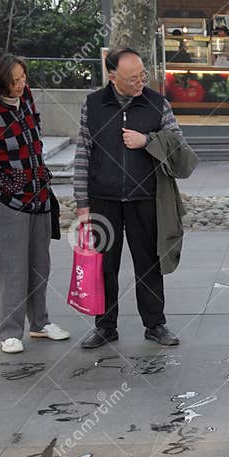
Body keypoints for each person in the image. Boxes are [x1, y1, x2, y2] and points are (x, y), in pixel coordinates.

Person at [73, 47, 187, 349]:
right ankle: (105, 326)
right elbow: (83, 152)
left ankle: (155, 324)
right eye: (133, 78)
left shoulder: (156, 103)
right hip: (103, 198)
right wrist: (82, 202)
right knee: (105, 265)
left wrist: (146, 140)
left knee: (148, 263)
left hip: (145, 196)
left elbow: (178, 145)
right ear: (113, 77)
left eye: (143, 76)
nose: (140, 82)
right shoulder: (94, 105)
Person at [0, 51, 69, 354]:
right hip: (6, 198)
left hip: (37, 192)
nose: (21, 84)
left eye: (23, 78)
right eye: (14, 81)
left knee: (39, 263)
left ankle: (40, 323)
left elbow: (34, 136)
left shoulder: (26, 96)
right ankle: (10, 330)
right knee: (10, 266)